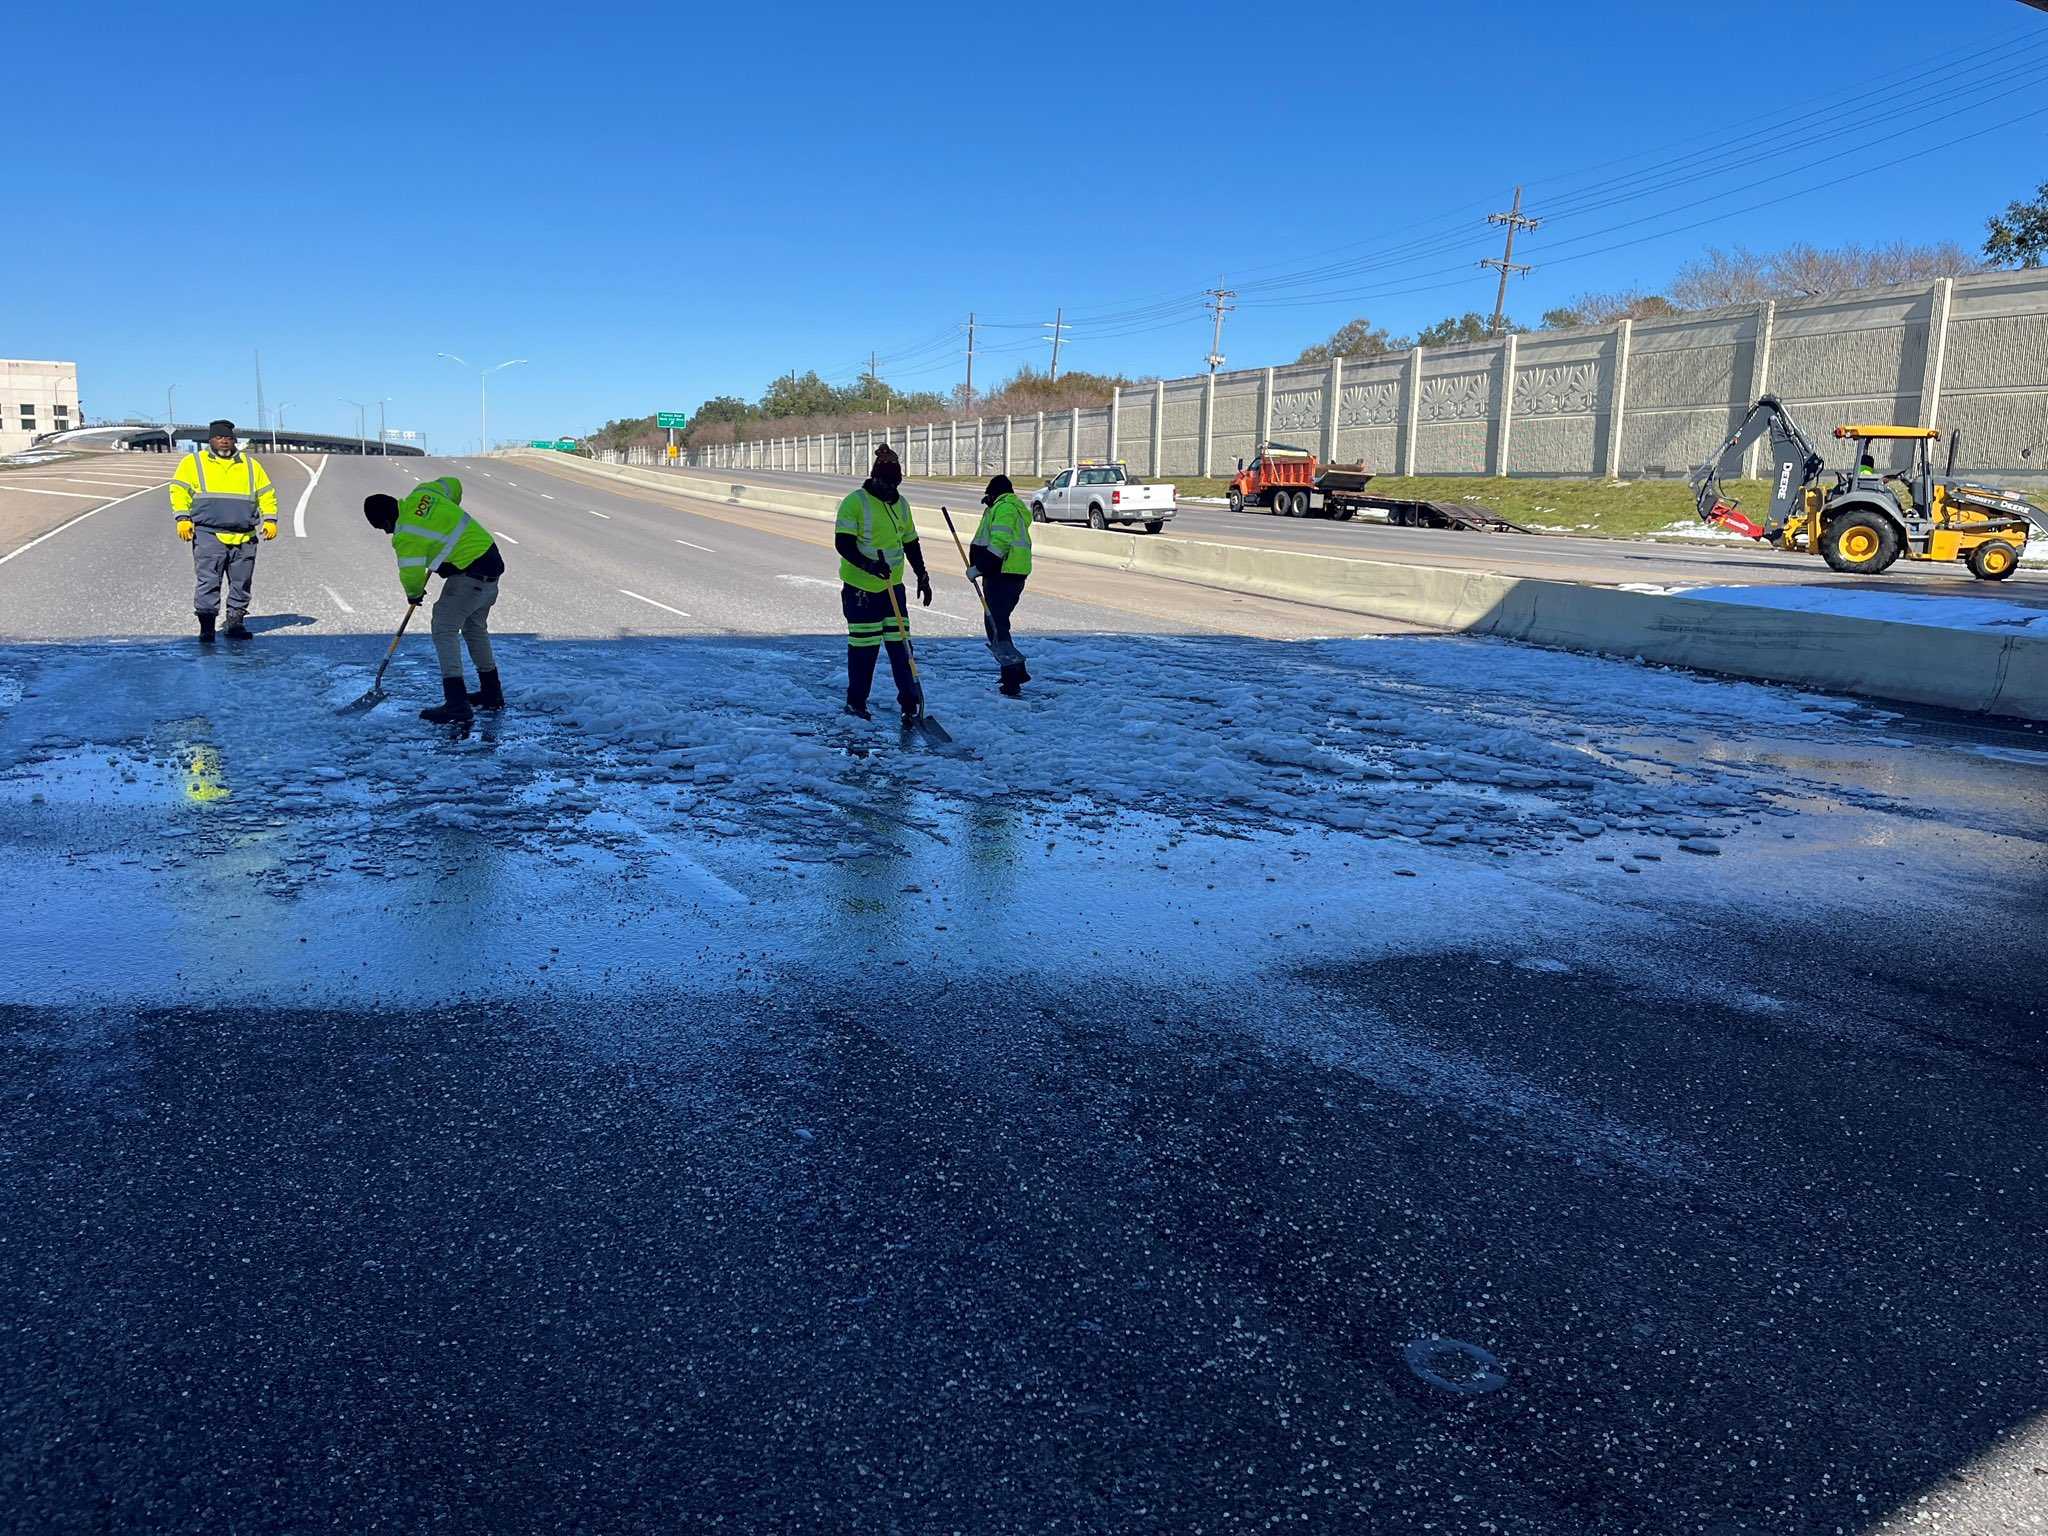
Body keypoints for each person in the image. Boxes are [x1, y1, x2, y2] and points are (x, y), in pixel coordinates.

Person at [362, 476, 506, 724]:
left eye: (383, 528)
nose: (387, 532)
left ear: (386, 520)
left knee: (443, 628)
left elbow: (411, 573)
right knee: (474, 629)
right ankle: (491, 692)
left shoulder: (406, 534)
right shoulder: (424, 493)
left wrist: (414, 594)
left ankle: (457, 704)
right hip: (491, 564)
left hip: (471, 576)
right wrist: (446, 522)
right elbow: (454, 484)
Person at [834, 443, 932, 722]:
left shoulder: (901, 504)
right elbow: (843, 543)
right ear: (875, 479)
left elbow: (910, 541)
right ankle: (856, 704)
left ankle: (910, 705)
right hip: (861, 591)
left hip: (894, 590)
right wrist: (869, 565)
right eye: (887, 483)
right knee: (865, 651)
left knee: (902, 649)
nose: (892, 490)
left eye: (895, 484)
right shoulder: (855, 502)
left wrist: (922, 574)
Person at [169, 419, 278, 641]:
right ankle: (207, 627)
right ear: (210, 440)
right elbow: (178, 491)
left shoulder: (250, 465)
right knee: (209, 581)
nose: (224, 442)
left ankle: (235, 622)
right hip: (208, 533)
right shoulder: (194, 463)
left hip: (245, 534)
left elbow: (266, 493)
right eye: (219, 438)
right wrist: (182, 518)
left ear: (234, 441)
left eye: (228, 438)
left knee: (241, 582)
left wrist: (270, 520)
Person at [969, 474, 1033, 697]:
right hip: (1003, 572)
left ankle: (1013, 675)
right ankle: (1014, 671)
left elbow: (1000, 543)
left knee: (996, 624)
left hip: (1004, 573)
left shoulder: (1005, 508)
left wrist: (981, 567)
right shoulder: (1001, 507)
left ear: (995, 493)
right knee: (997, 622)